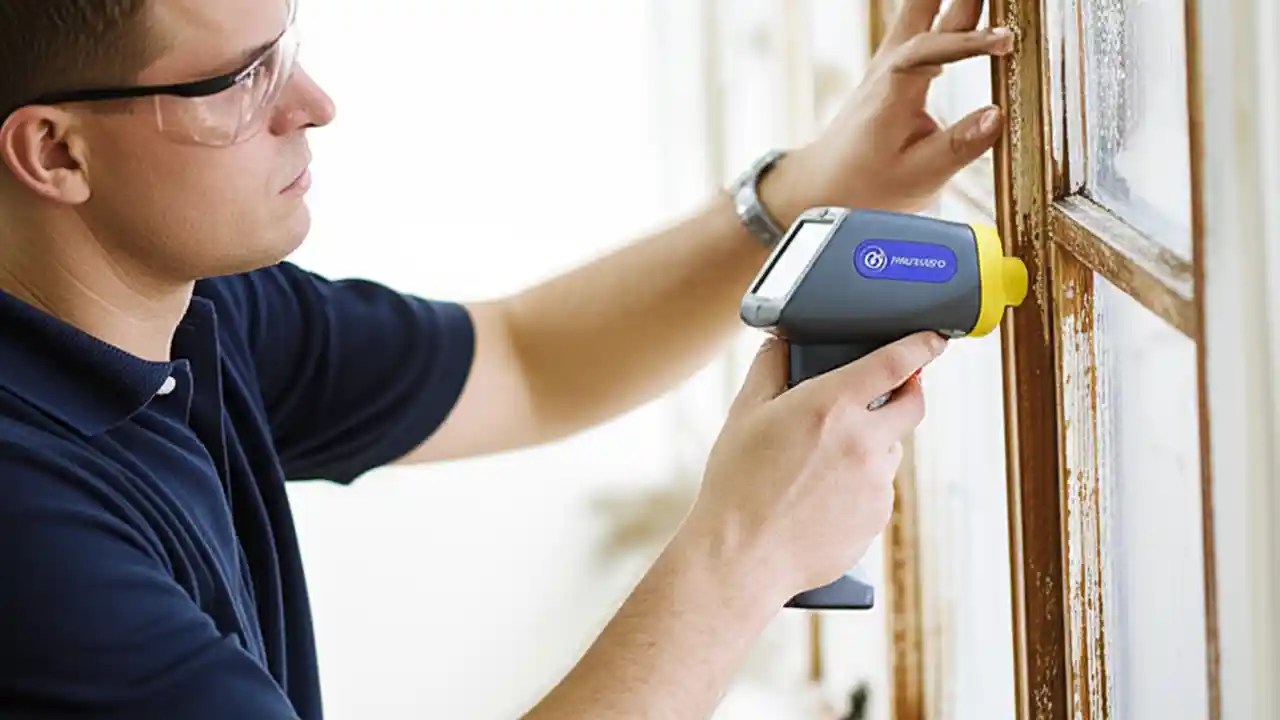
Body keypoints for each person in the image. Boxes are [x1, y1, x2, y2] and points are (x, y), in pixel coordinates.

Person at [0, 0, 1012, 717]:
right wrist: (743, 555)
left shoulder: (187, 317)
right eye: (239, 80)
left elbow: (526, 361)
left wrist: (799, 195)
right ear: (56, 152)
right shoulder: (32, 536)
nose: (311, 101)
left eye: (289, 42)